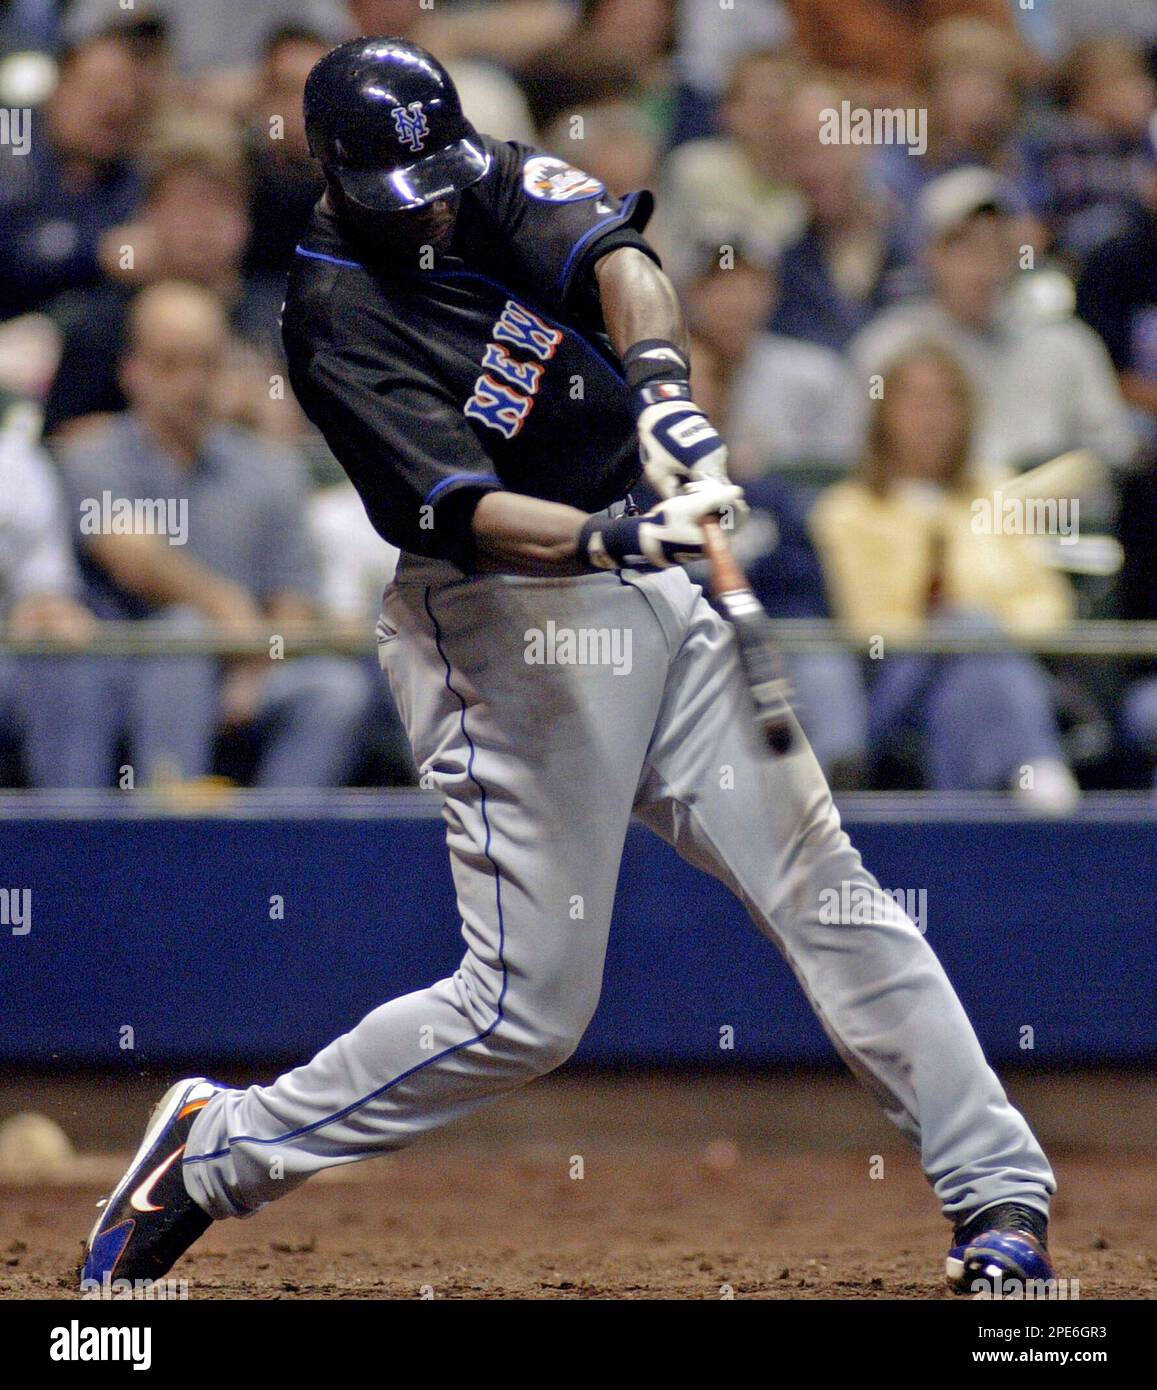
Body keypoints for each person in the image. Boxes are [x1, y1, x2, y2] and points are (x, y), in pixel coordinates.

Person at [80, 38, 1058, 1298]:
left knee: (830, 889)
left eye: (442, 179)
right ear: (333, 173)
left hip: (649, 585)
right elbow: (472, 517)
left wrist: (658, 387)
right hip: (505, 624)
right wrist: (609, 533)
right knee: (524, 1011)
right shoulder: (331, 322)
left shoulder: (467, 163)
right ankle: (213, 1152)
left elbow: (618, 259)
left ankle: (997, 1199)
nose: (434, 206)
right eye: (407, 192)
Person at [54, 281, 373, 789]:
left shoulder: (271, 469)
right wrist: (226, 609)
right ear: (133, 371)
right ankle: (170, 832)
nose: (192, 384)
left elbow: (293, 601)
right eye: (171, 364)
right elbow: (130, 555)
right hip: (122, 669)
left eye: (207, 363)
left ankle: (273, 853)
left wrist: (258, 667)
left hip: (246, 669)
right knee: (181, 634)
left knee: (335, 690)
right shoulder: (94, 454)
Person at [809, 344, 1078, 810]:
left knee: (965, 681)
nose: (931, 416)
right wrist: (959, 627)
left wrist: (982, 632)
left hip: (1000, 668)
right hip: (890, 685)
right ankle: (1038, 771)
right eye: (914, 401)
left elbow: (1051, 607)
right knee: (966, 632)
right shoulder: (845, 510)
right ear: (883, 413)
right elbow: (869, 625)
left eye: (946, 400)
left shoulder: (998, 493)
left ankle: (962, 830)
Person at [849, 166, 1137, 473]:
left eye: (998, 246)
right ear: (930, 254)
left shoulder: (1068, 346)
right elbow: (857, 454)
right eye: (964, 246)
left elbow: (1114, 453)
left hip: (1041, 514)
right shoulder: (887, 346)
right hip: (924, 514)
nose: (982, 266)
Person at [44, 134, 284, 440]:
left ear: (247, 221)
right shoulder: (106, 322)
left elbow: (312, 443)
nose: (204, 224)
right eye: (187, 206)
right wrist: (180, 412)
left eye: (222, 206)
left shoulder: (276, 317)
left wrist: (268, 410)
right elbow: (60, 442)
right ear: (149, 215)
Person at [0, 30, 150, 321]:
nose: (115, 104)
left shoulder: (134, 183)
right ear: (60, 89)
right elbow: (11, 252)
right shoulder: (11, 151)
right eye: (100, 88)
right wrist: (97, 253)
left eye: (127, 91)